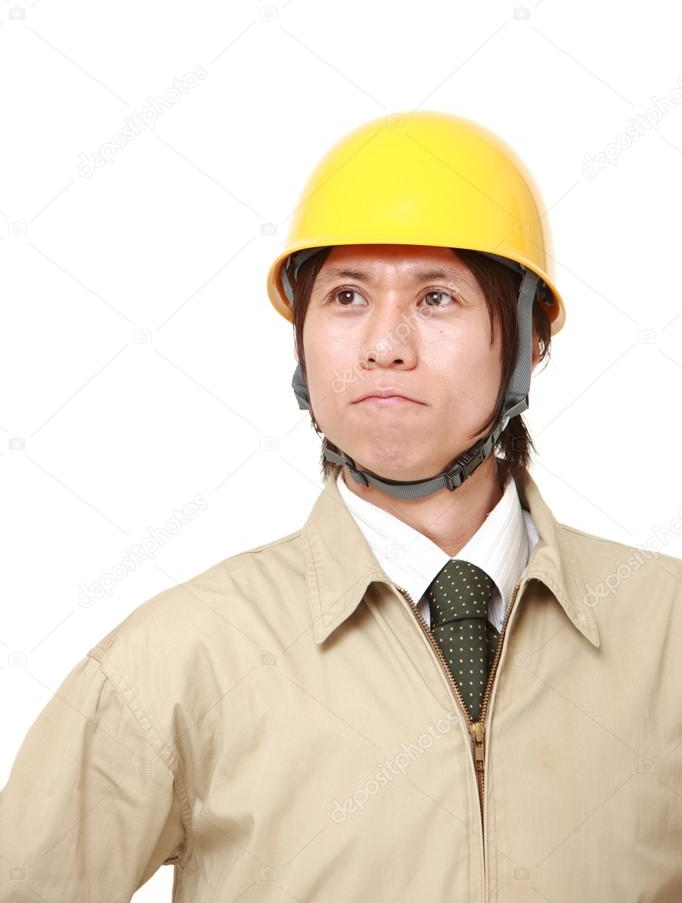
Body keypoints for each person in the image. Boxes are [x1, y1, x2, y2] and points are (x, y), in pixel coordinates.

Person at [1, 110, 681, 901]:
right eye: (348, 295)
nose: (384, 344)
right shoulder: (183, 657)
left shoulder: (666, 633)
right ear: (302, 337)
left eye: (436, 297)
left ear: (531, 336)